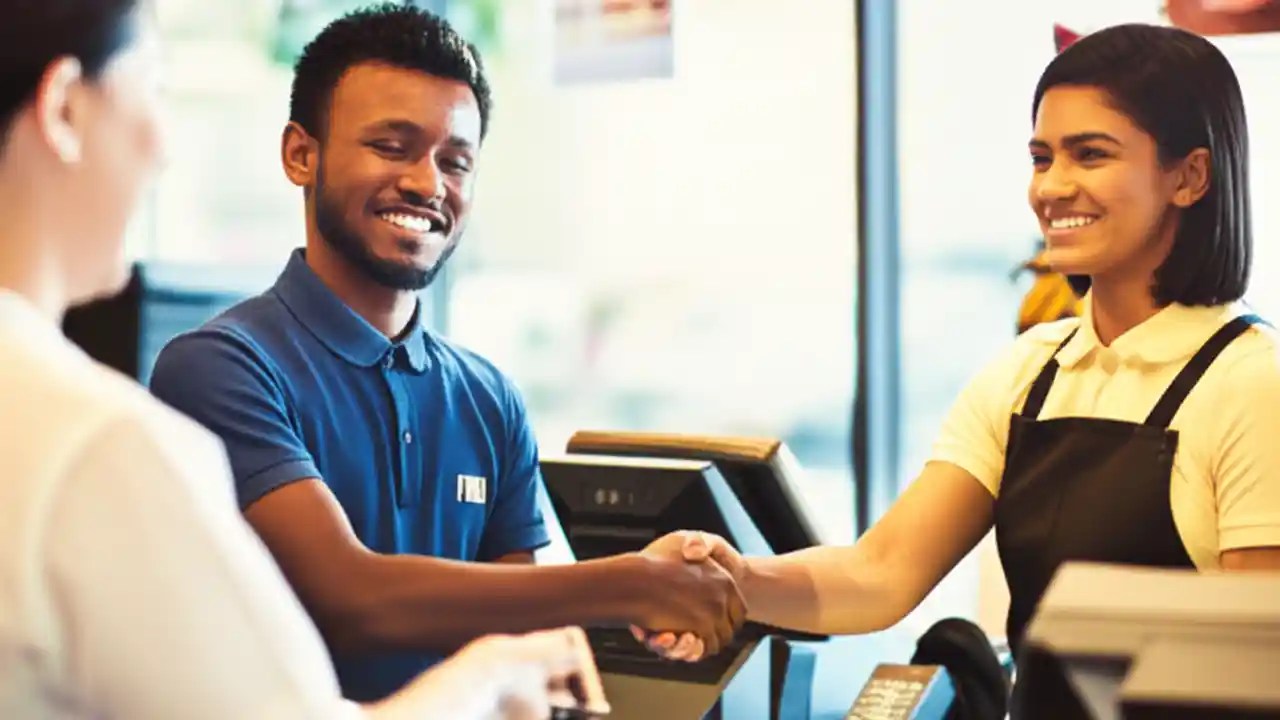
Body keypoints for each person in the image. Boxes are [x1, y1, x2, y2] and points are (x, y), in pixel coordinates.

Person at [642, 22, 1280, 717]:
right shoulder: (1030, 373)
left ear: (1190, 176)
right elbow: (879, 573)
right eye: (1042, 158)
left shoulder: (1252, 384)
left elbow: (1258, 663)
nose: (1053, 188)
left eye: (1091, 155)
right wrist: (730, 578)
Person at [0, 1, 610, 718]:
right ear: (65, 109)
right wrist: (506, 669)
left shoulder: (489, 395)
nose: (164, 147)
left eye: (454, 161)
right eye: (153, 91)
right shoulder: (107, 438)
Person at [148, 2, 744, 704]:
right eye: (391, 146)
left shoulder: (489, 398)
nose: (429, 184)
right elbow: (351, 600)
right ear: (300, 154)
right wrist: (636, 585)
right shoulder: (218, 368)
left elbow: (517, 622)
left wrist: (657, 600)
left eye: (455, 161)